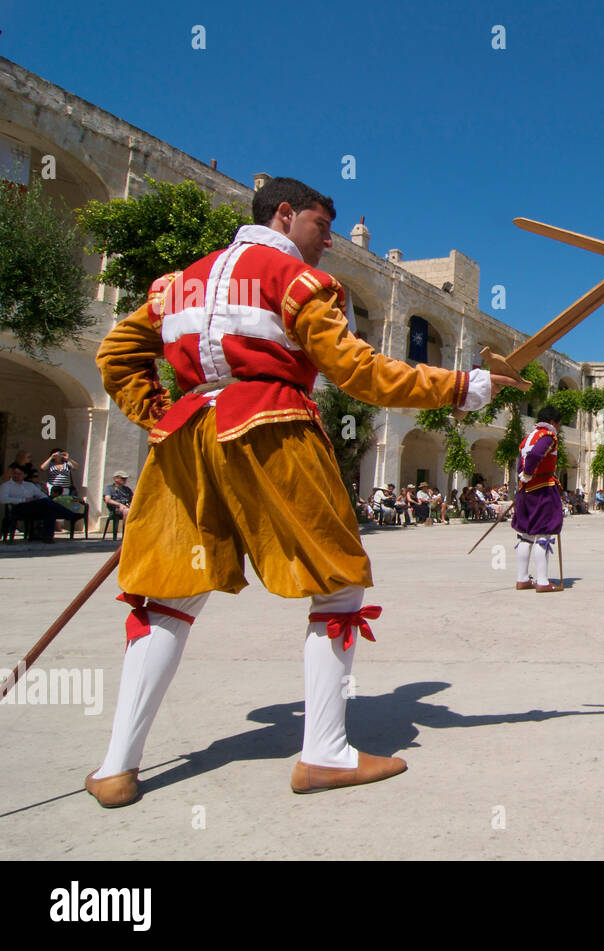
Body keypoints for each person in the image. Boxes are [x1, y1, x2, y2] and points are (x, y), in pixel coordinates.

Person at [86, 176, 511, 808]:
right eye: (320, 225)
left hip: (188, 440)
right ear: (284, 214)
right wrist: (455, 387)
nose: (329, 241)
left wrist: (161, 417)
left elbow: (116, 354)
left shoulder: (176, 284)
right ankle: (324, 753)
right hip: (273, 430)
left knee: (171, 594)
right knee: (337, 584)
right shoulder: (297, 282)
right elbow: (356, 369)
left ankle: (117, 767)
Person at [512, 405, 565, 592]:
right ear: (552, 422)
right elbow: (536, 455)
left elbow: (522, 460)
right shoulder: (548, 437)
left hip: (526, 490)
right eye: (558, 424)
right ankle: (543, 581)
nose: (558, 428)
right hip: (543, 488)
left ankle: (522, 578)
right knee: (543, 534)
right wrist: (528, 473)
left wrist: (524, 477)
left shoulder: (527, 438)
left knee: (525, 535)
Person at [0, 462, 68, 541]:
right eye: (14, 473)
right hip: (18, 508)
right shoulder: (7, 485)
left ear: (24, 475)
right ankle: (68, 514)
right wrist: (23, 500)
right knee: (48, 503)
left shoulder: (30, 485)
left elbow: (43, 496)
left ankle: (48, 537)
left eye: (19, 474)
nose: (16, 475)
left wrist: (37, 499)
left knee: (49, 509)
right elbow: (2, 499)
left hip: (33, 507)